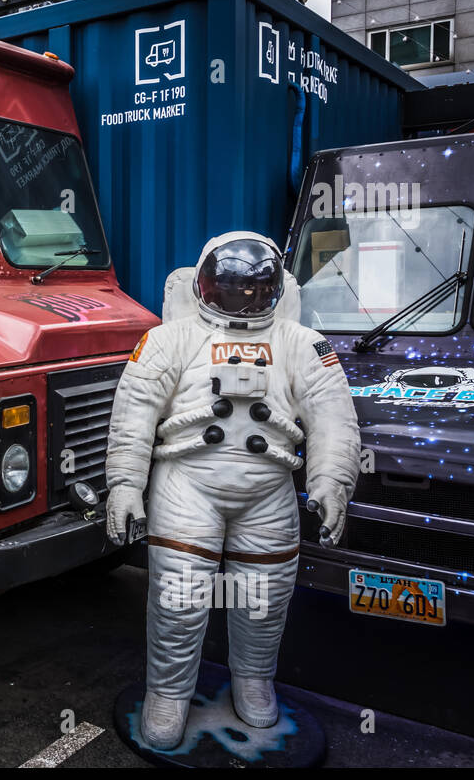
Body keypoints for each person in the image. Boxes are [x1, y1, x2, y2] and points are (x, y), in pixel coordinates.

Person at [105, 231, 361, 750]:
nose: (241, 299)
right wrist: (125, 485)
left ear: (274, 290)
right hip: (187, 486)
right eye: (228, 288)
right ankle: (169, 694)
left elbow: (333, 416)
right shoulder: (168, 339)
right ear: (203, 284)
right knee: (180, 598)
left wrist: (332, 481)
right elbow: (133, 414)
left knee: (263, 599)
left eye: (255, 291)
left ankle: (254, 683)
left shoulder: (300, 343)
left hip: (266, 491)